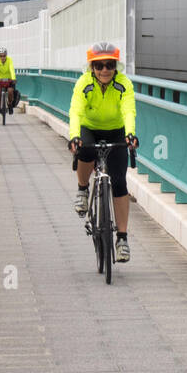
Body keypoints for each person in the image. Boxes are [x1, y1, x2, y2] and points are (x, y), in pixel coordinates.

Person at [68, 42, 139, 262]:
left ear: (116, 66)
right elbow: (76, 110)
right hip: (90, 127)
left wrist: (130, 134)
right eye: (99, 66)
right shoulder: (84, 83)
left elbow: (128, 110)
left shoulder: (123, 83)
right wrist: (74, 136)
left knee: (119, 182)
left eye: (109, 65)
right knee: (85, 152)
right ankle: (82, 189)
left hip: (116, 130)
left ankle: (122, 239)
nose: (105, 70)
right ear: (92, 67)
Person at [0, 46, 18, 113]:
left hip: (9, 79)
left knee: (10, 91)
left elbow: (11, 69)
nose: (2, 57)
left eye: (4, 56)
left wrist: (13, 78)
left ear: (6, 55)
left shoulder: (9, 60)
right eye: (1, 56)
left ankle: (9, 104)